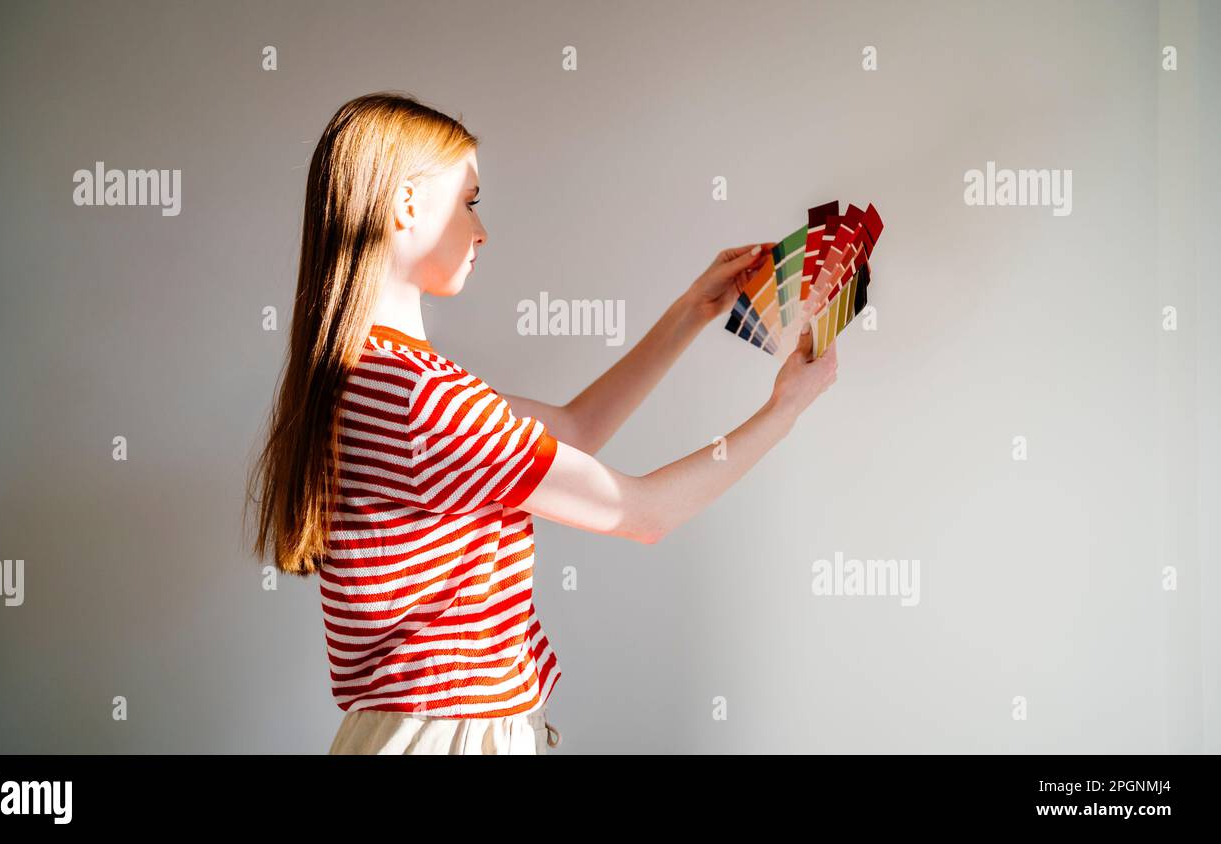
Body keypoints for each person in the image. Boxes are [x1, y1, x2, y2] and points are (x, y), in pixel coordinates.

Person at [246, 91, 840, 754]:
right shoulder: (418, 398)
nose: (481, 230)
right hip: (450, 737)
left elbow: (573, 429)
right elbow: (643, 513)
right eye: (469, 200)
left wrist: (692, 313)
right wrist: (785, 409)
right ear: (406, 205)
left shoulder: (377, 378)